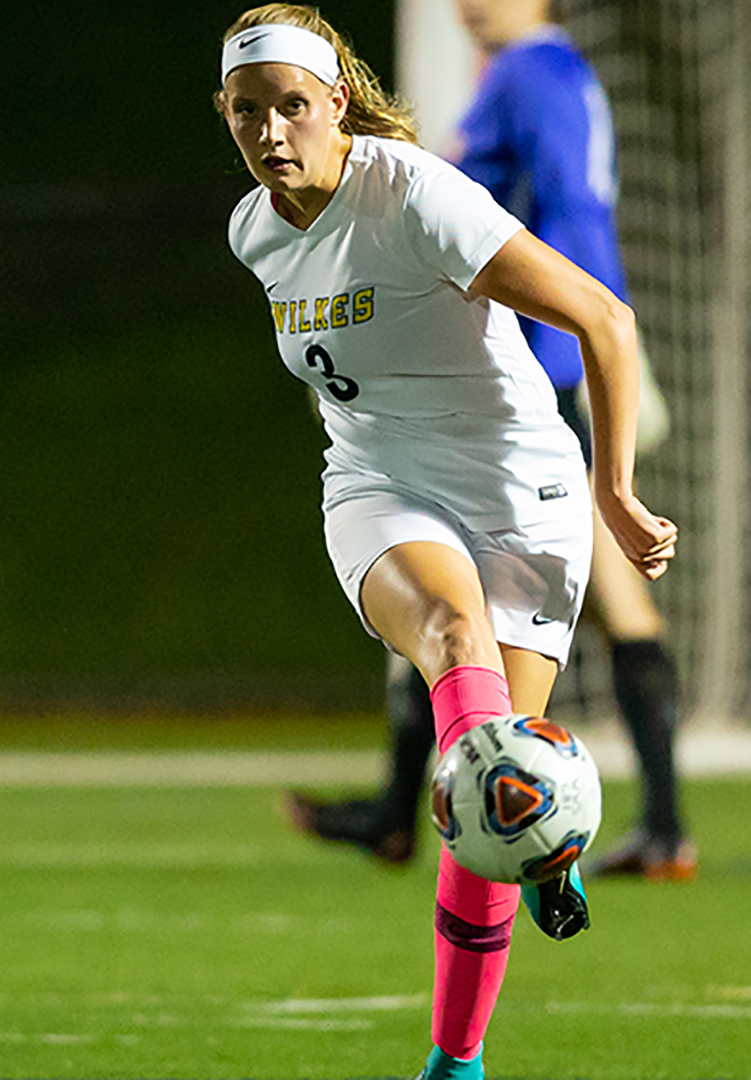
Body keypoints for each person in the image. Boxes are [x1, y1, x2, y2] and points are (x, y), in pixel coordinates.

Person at [217, 5, 676, 1077]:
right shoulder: (252, 232)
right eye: (249, 112)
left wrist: (614, 489)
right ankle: (459, 1069)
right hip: (379, 490)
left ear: (335, 103)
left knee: (491, 806)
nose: (273, 131)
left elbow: (604, 321)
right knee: (452, 642)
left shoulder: (412, 194)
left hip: (524, 495)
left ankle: (458, 1044)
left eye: (293, 105)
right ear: (225, 116)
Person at [284, 0, 697, 882]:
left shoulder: (530, 75)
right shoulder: (539, 73)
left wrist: (560, 358)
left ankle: (644, 825)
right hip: (539, 361)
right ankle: (414, 810)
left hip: (539, 372)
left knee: (498, 604)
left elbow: (576, 217)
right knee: (465, 605)